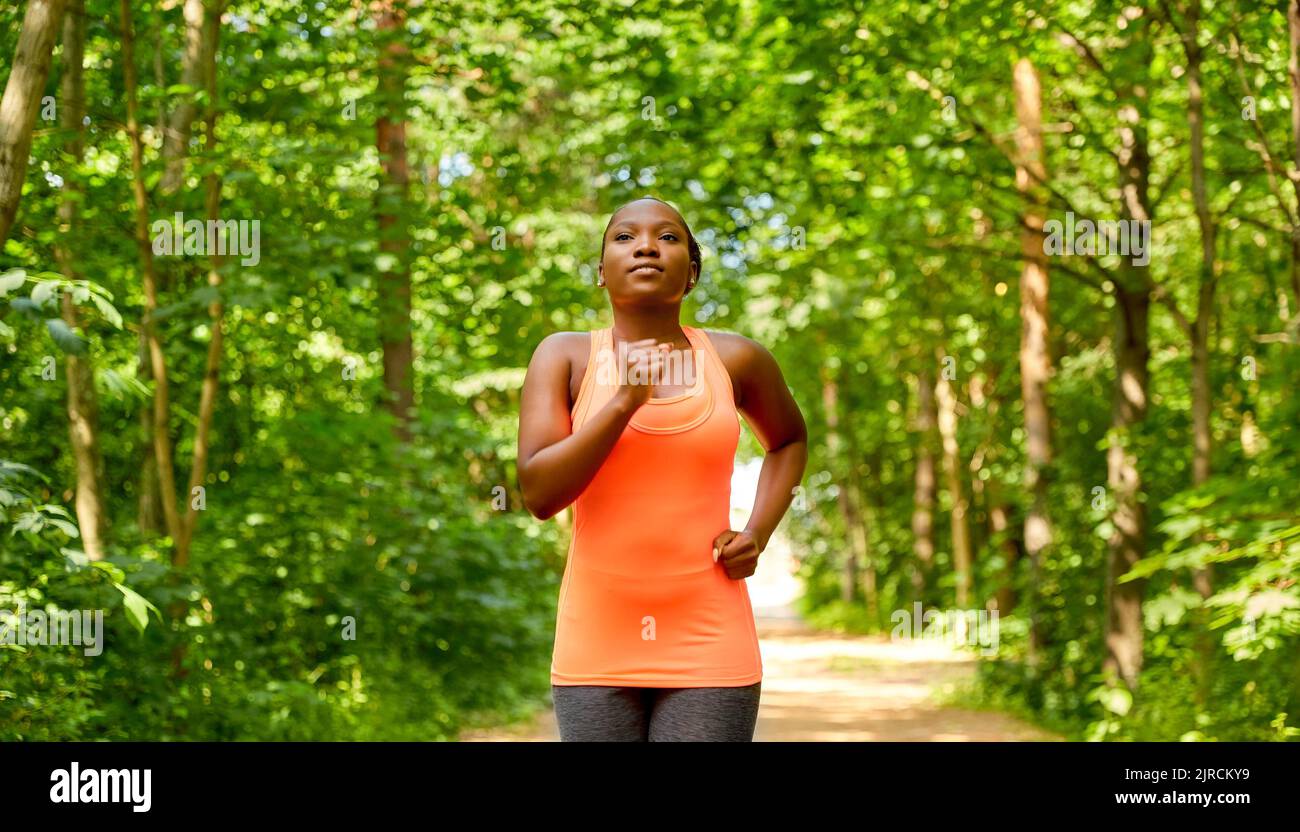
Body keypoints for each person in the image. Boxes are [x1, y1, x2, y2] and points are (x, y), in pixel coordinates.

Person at [516, 196, 808, 741]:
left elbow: (789, 440)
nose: (647, 245)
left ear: (692, 273)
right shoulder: (564, 357)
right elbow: (539, 493)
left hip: (710, 636)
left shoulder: (737, 359)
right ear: (602, 272)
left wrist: (758, 532)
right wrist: (625, 399)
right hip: (596, 636)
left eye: (669, 237)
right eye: (625, 237)